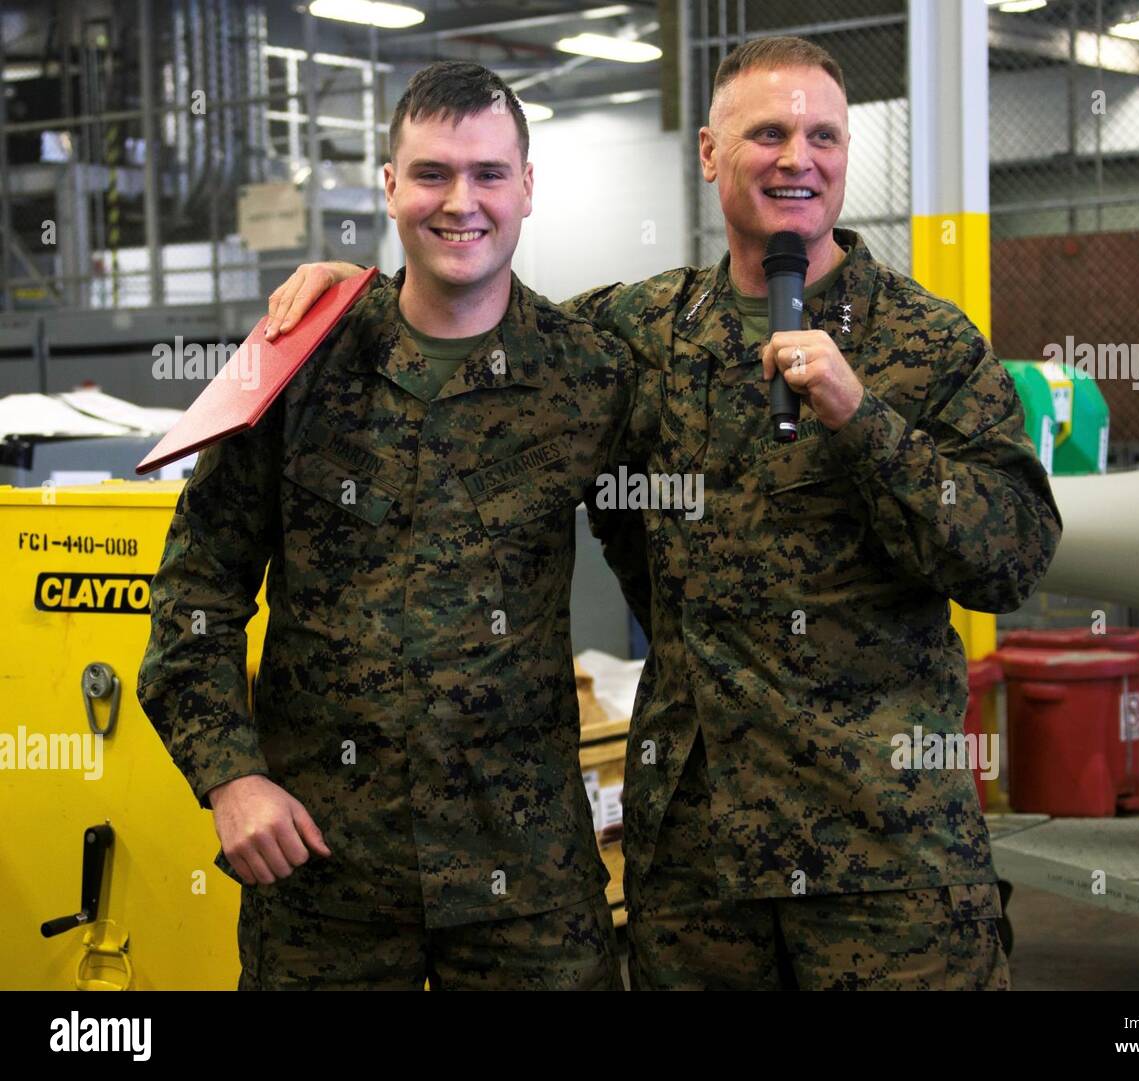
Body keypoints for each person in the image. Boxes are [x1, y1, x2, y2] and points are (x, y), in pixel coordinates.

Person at [265, 35, 1061, 990]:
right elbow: (475, 312)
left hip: (888, 860)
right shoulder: (640, 333)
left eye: (823, 136)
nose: (797, 158)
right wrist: (353, 297)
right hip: (697, 866)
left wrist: (863, 419)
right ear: (710, 153)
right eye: (767, 134)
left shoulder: (928, 344)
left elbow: (1010, 558)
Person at [137, 61, 635, 990]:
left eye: (489, 174)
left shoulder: (589, 373)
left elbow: (680, 568)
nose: (462, 202)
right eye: (432, 173)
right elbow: (195, 592)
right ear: (390, 185)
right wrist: (230, 775)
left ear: (527, 186)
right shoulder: (296, 361)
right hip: (326, 875)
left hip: (525, 879)